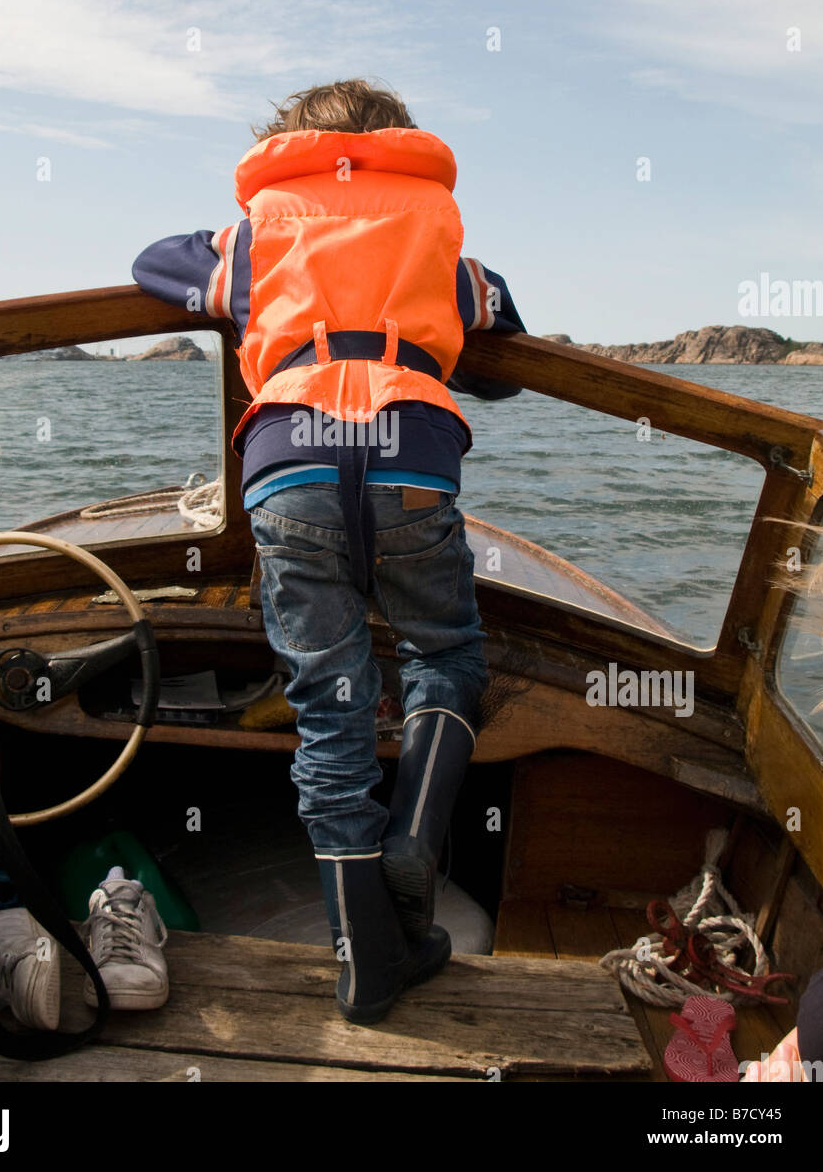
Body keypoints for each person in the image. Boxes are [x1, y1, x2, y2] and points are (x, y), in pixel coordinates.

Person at [132, 78, 525, 1024]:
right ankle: (414, 846)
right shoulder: (440, 230)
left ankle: (363, 958)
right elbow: (499, 323)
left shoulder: (256, 234)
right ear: (396, 141)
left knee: (327, 702)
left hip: (290, 461)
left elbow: (152, 263)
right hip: (413, 461)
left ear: (289, 146)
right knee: (447, 656)